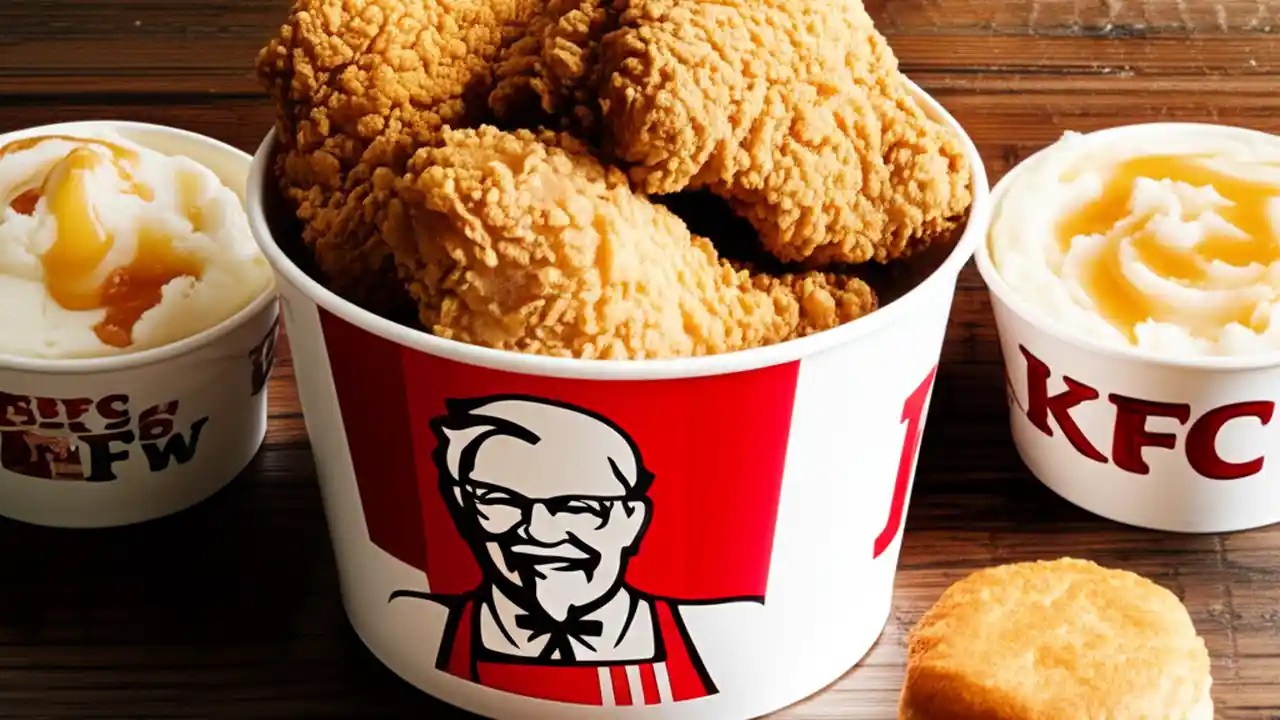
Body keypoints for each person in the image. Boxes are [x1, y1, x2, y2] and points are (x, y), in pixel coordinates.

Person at [391, 396, 717, 706]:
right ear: (464, 507)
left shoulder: (709, 632)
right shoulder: (417, 624)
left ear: (633, 519)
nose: (540, 532)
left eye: (578, 506)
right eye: (501, 501)